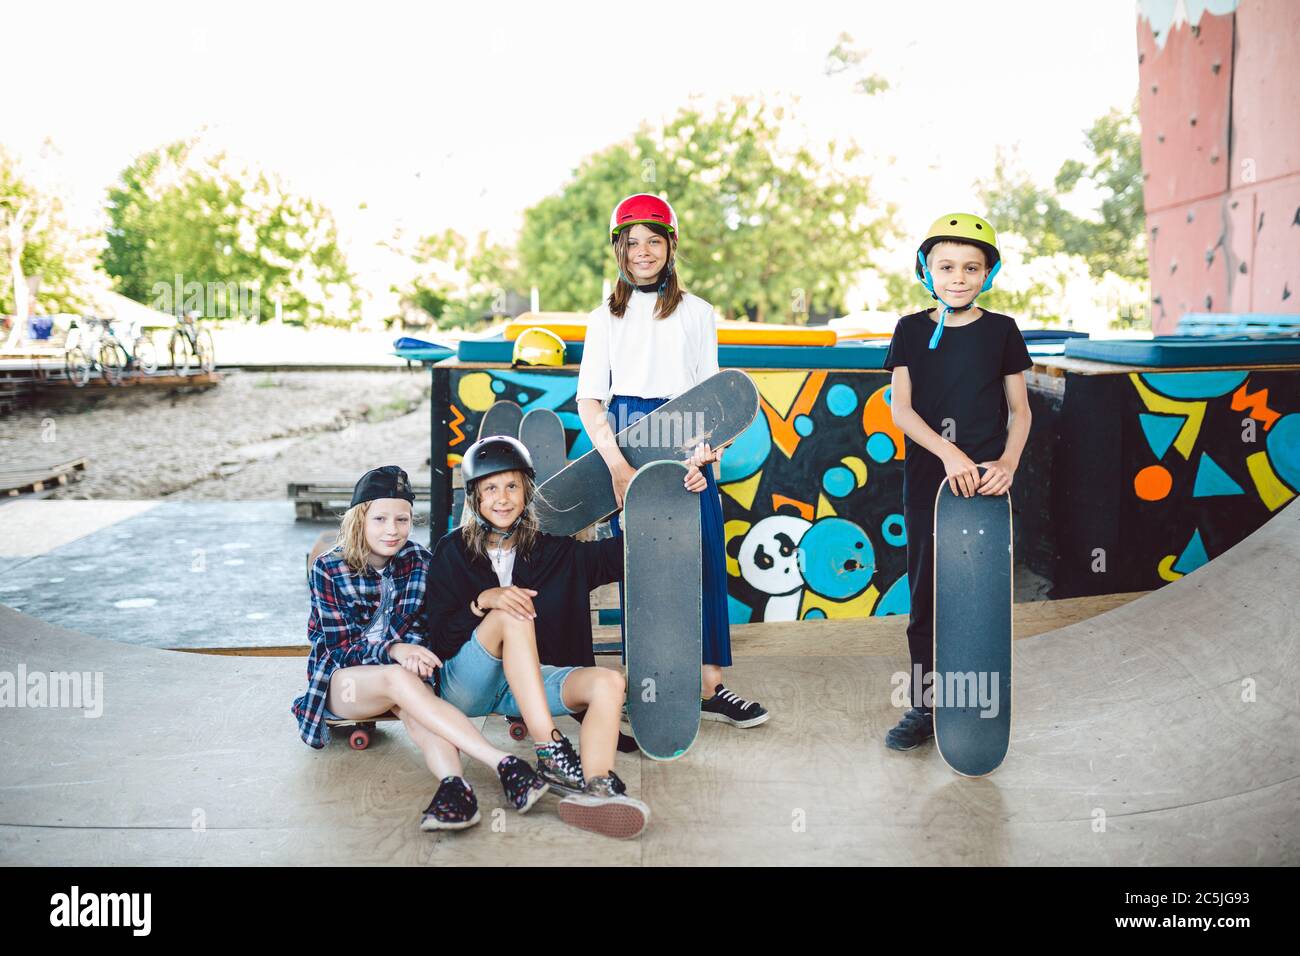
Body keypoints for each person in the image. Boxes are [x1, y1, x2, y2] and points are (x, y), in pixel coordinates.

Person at [426, 436, 714, 838]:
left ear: (526, 490)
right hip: (466, 684)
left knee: (609, 683)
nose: (503, 498)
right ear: (475, 497)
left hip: (526, 688)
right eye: (490, 488)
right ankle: (550, 749)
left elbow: (632, 552)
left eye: (512, 486)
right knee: (510, 611)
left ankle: (596, 784)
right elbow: (436, 634)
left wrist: (674, 493)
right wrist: (482, 602)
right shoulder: (451, 551)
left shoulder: (555, 552)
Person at [575, 193, 770, 729]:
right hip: (628, 443)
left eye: (653, 241)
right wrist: (617, 466)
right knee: (643, 568)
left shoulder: (699, 313)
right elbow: (591, 401)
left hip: (687, 438)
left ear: (671, 247)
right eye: (632, 242)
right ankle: (647, 689)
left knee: (702, 558)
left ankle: (711, 686)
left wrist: (705, 455)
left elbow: (715, 400)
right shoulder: (603, 319)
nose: (642, 251)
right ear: (619, 249)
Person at [291, 465, 548, 831]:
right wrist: (396, 650)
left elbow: (425, 628)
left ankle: (455, 791)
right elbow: (340, 647)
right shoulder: (329, 568)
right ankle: (503, 763)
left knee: (420, 710)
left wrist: (416, 653)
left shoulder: (419, 562)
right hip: (342, 684)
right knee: (399, 678)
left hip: (401, 677)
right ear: (359, 519)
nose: (392, 529)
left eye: (403, 519)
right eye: (380, 518)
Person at [882, 213, 1033, 750]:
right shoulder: (910, 329)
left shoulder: (1002, 331)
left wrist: (1008, 465)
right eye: (946, 267)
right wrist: (949, 455)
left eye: (972, 267)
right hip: (931, 487)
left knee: (980, 598)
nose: (959, 277)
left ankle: (977, 701)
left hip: (987, 494)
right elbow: (901, 410)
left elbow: (1020, 410)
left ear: (988, 272)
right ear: (926, 269)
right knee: (927, 598)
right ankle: (925, 704)